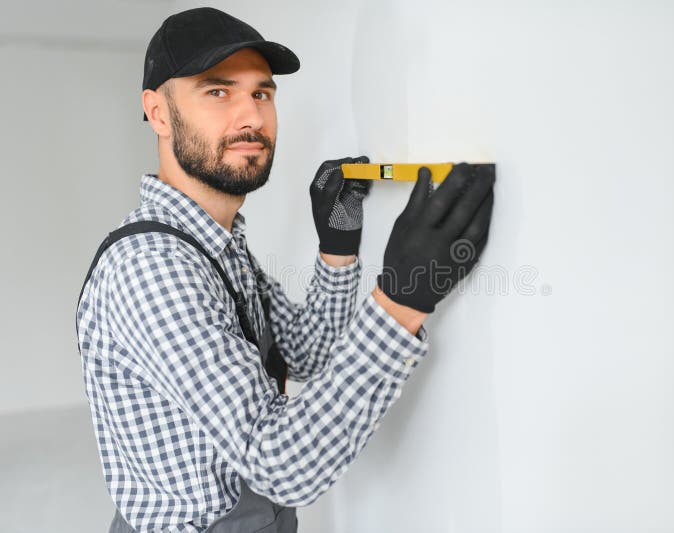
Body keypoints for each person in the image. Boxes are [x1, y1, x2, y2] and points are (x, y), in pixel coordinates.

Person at [75, 6, 494, 532]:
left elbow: (307, 355)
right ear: (158, 112)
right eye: (218, 92)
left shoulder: (215, 247)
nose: (250, 116)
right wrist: (401, 301)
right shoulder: (152, 267)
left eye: (262, 93)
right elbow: (280, 465)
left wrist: (336, 249)